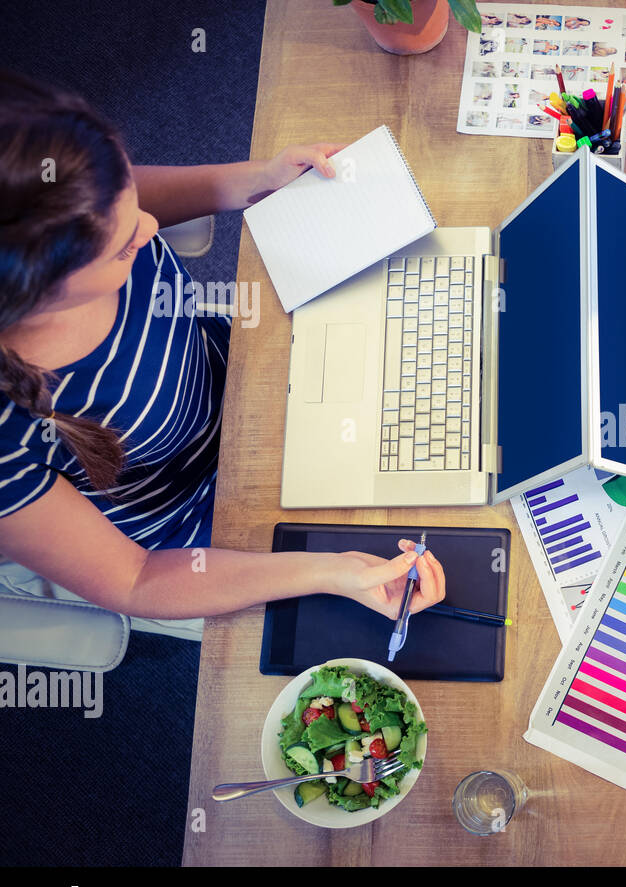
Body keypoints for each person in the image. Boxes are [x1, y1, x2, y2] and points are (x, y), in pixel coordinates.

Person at [0, 70, 445, 627]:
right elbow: (135, 579)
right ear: (35, 290)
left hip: (240, 376)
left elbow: (123, 195)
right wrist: (330, 571)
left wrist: (261, 178)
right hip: (199, 532)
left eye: (129, 199)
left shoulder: (72, 203)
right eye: (120, 249)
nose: (149, 226)